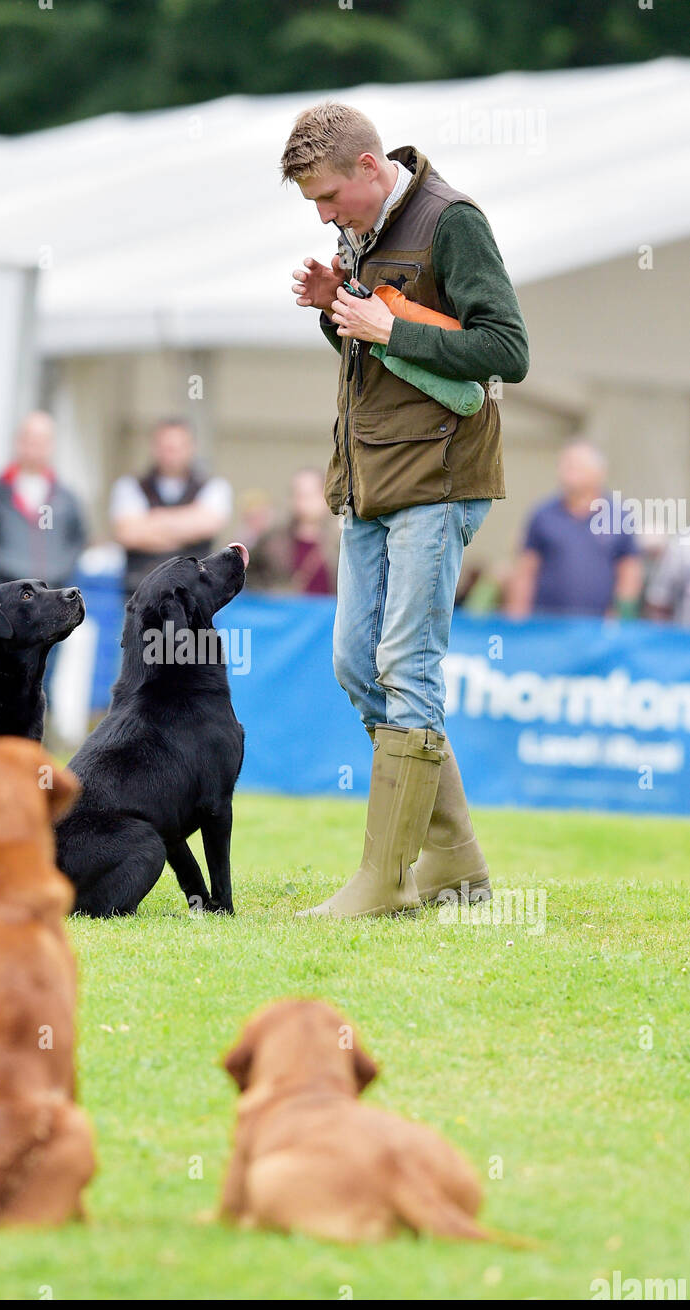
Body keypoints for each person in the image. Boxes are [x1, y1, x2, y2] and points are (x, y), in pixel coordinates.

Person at [284, 102, 529, 920]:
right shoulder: (361, 230)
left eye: (326, 197)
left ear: (366, 167)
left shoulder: (450, 221)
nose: (320, 215)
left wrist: (386, 324)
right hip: (369, 478)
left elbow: (504, 352)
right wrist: (337, 309)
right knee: (358, 665)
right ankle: (455, 863)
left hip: (439, 475)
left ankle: (384, 882)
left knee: (405, 667)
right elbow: (378, 350)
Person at [505, 441, 642, 618]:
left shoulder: (619, 516)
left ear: (599, 473)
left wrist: (618, 618)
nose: (566, 471)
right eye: (564, 465)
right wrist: (517, 617)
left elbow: (629, 574)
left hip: (598, 629)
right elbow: (526, 570)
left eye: (575, 466)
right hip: (546, 625)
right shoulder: (543, 515)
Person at [110, 418, 232, 596]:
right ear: (154, 447)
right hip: (141, 594)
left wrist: (152, 521)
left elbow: (208, 524)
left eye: (177, 447)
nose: (171, 453)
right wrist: (186, 527)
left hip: (195, 596)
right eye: (166, 447)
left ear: (192, 447)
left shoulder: (214, 486)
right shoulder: (129, 485)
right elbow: (128, 533)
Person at [0, 411, 87, 587]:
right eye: (30, 439)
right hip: (8, 591)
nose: (35, 448)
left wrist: (60, 567)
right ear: (18, 441)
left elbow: (79, 539)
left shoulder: (65, 498)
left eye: (42, 441)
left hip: (51, 592)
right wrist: (7, 562)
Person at [246, 468, 339, 595]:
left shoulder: (341, 541)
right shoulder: (273, 540)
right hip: (284, 612)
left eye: (311, 494)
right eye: (299, 494)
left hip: (328, 613)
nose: (304, 500)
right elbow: (248, 575)